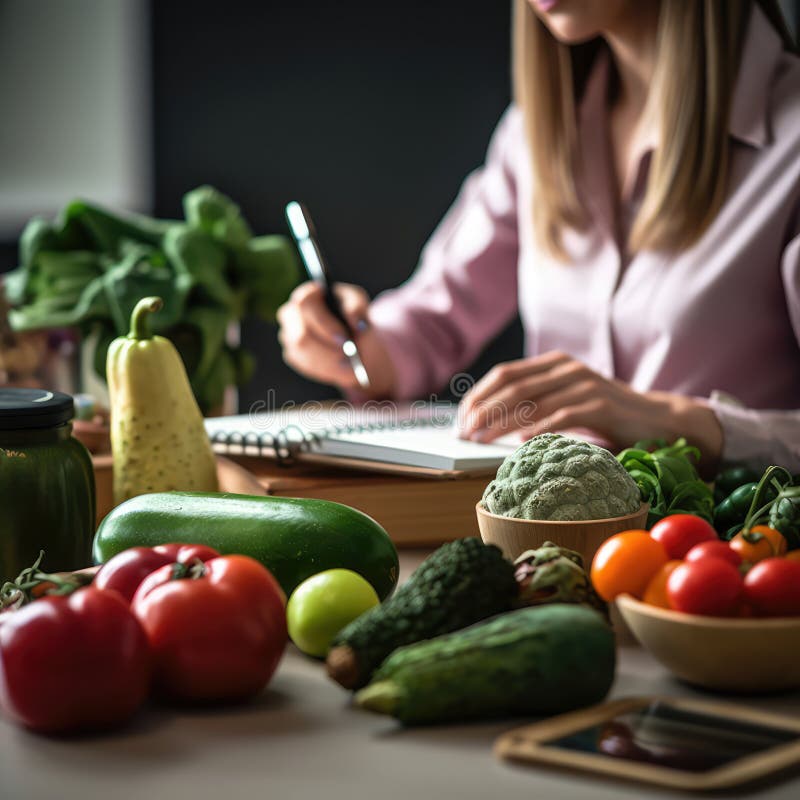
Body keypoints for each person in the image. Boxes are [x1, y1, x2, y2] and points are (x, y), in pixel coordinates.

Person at [277, 0, 800, 474]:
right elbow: (430, 321)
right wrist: (351, 340)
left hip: (725, 558)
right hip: (547, 551)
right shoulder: (535, 135)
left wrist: (679, 422)